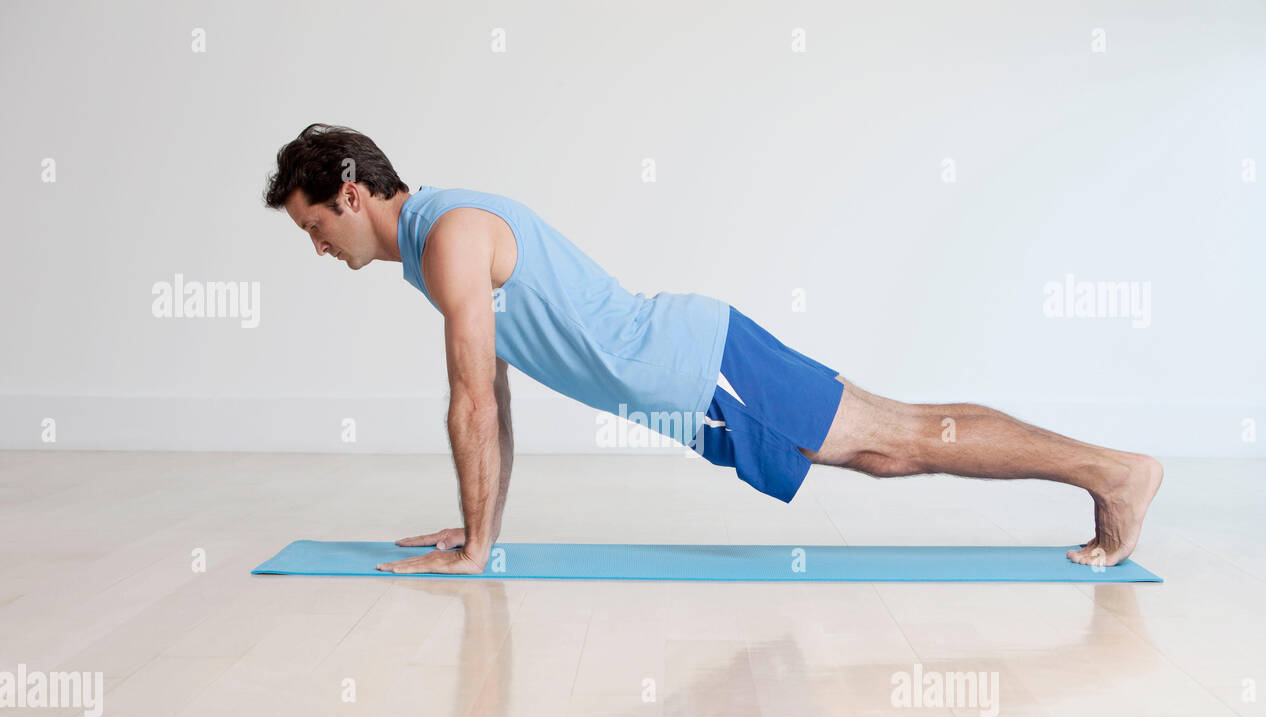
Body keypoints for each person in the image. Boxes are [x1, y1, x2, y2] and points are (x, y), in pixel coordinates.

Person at [263, 124, 1162, 575]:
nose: (317, 248)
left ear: (348, 193)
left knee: (898, 442)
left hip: (700, 365)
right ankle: (1109, 473)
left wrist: (474, 551)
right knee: (893, 443)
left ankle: (1115, 473)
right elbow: (491, 402)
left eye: (311, 227)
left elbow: (468, 403)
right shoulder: (433, 248)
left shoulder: (450, 234)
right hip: (693, 377)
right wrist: (483, 532)